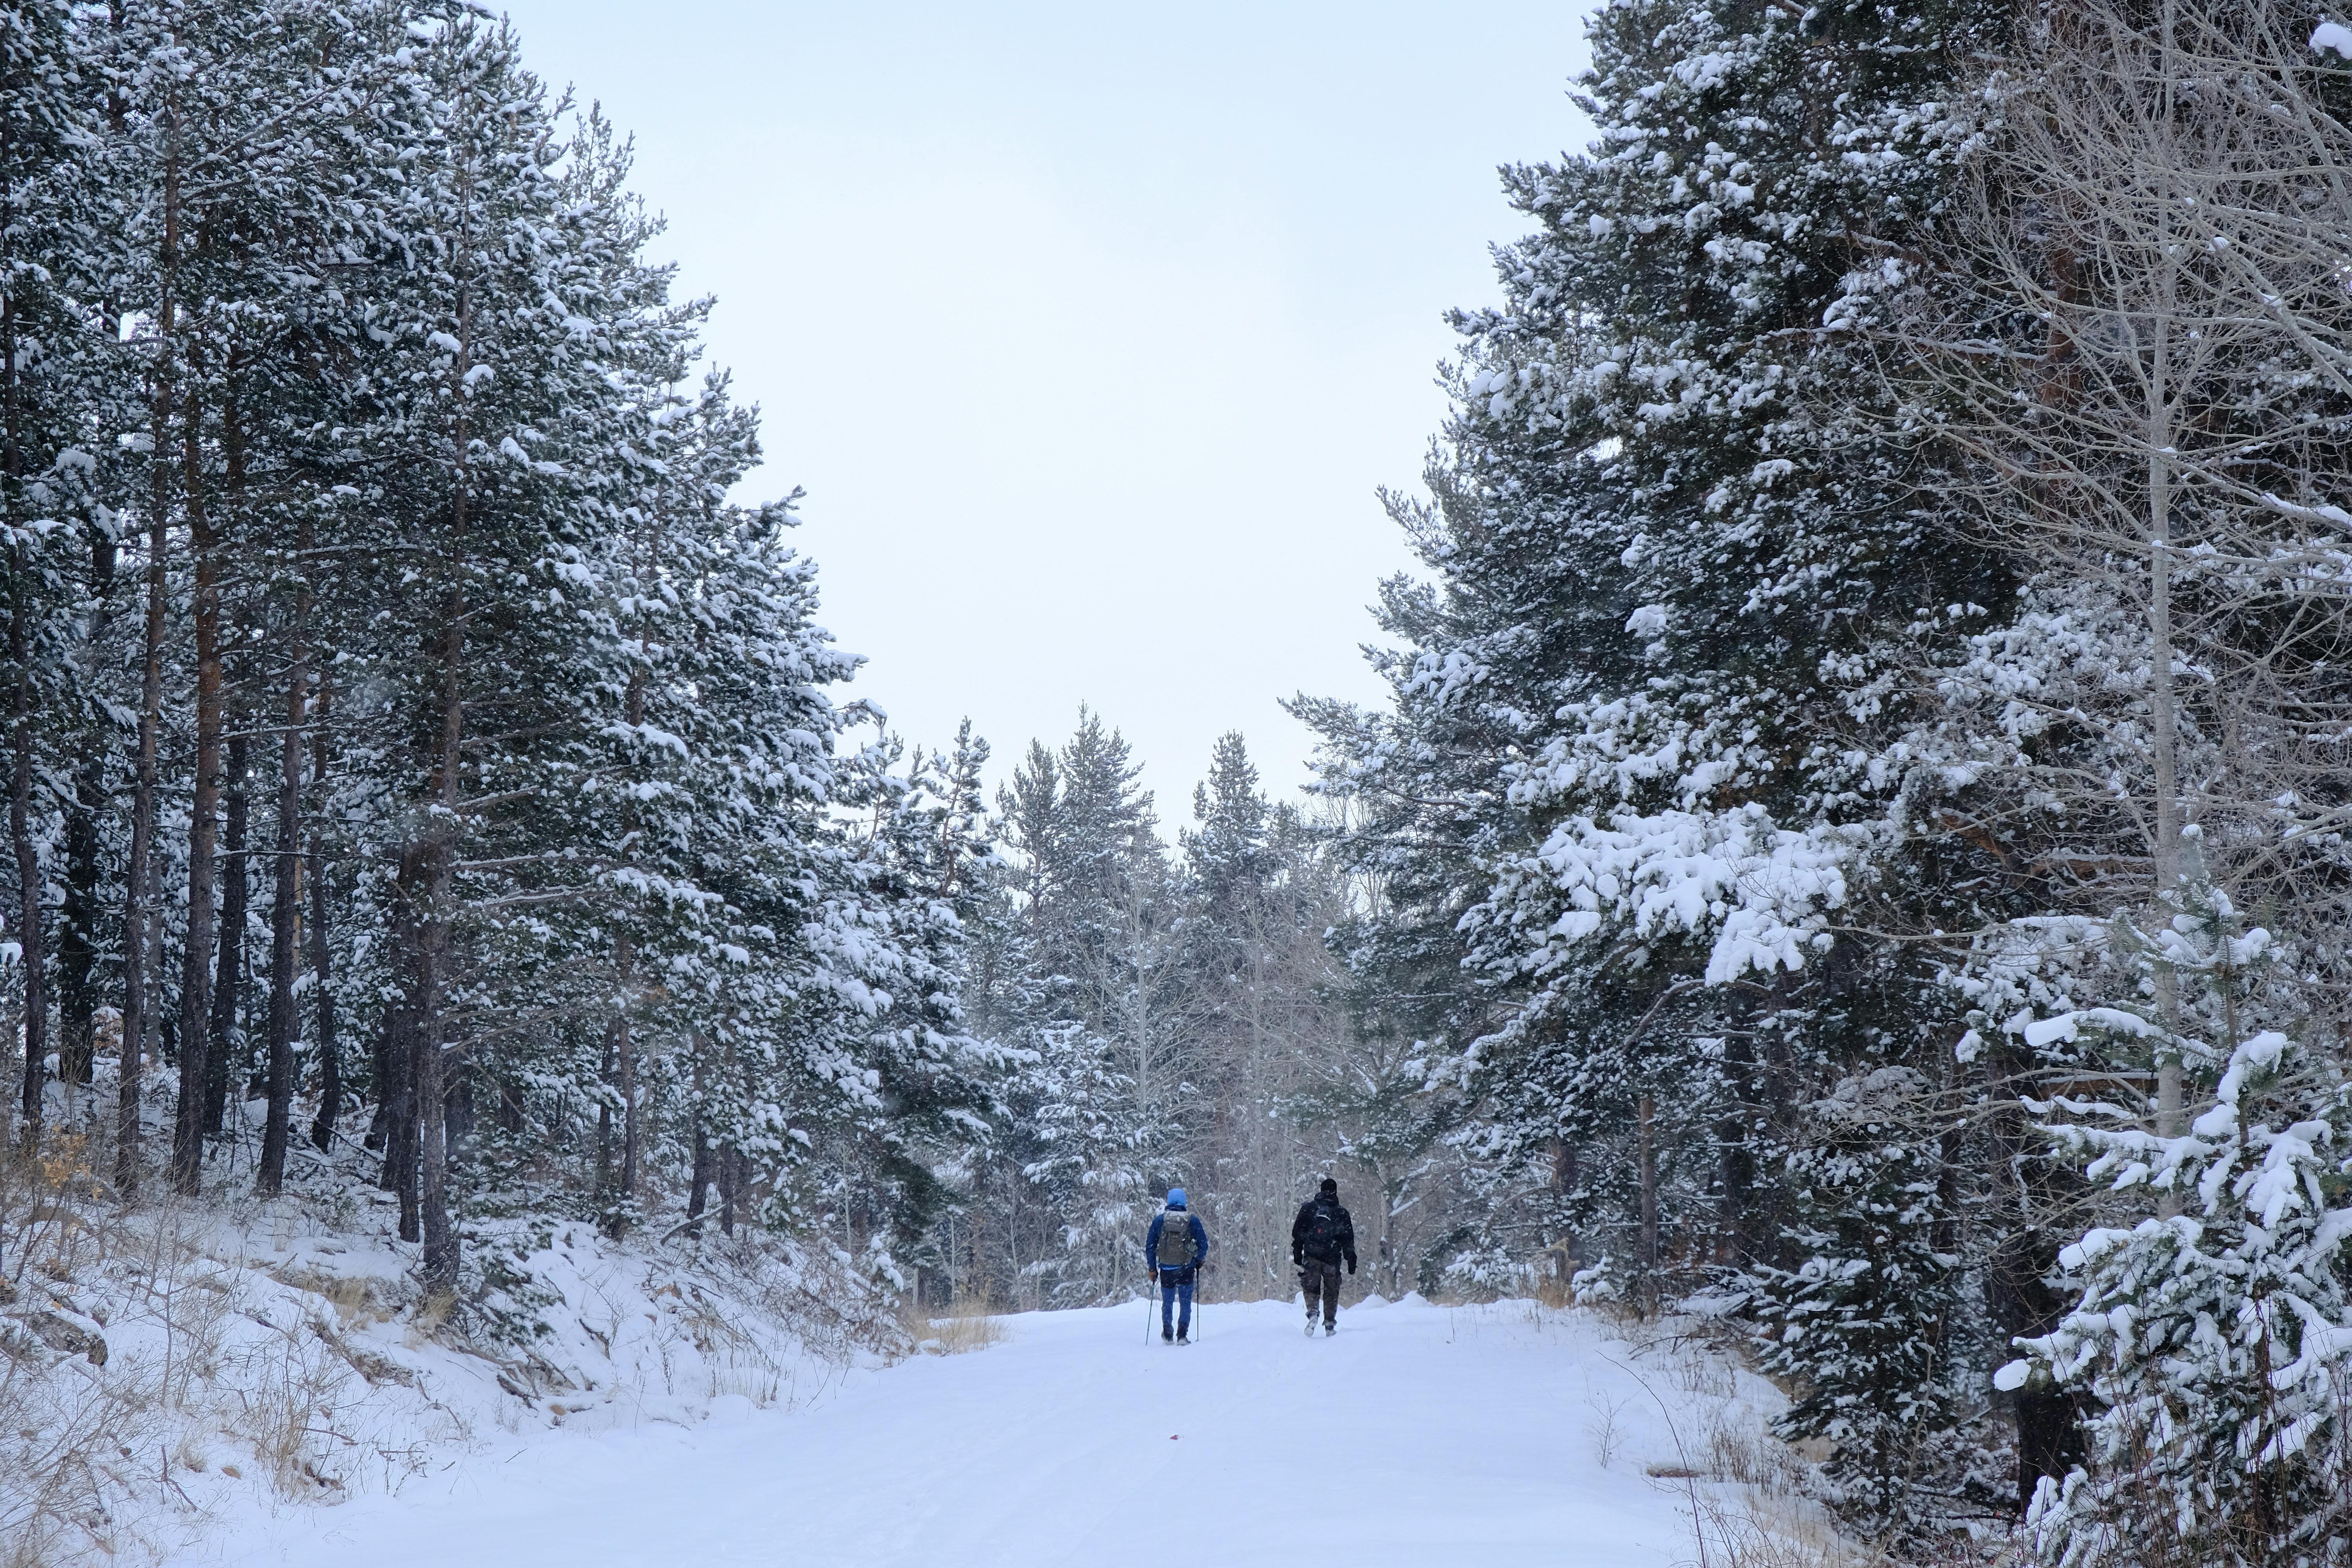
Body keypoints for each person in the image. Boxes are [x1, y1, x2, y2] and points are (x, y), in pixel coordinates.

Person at [1291, 1176, 1356, 1336]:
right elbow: (1348, 1239)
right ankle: (1329, 1323)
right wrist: (1351, 1260)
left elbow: (1298, 1234)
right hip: (1332, 1259)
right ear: (1335, 1192)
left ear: (1321, 1190)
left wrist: (1298, 1255)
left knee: (1311, 1288)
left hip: (1311, 1256)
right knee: (1331, 1291)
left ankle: (1313, 1313)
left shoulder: (1309, 1208)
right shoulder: (1341, 1212)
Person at [1145, 1188, 1209, 1344]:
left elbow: (1150, 1246)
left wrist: (1153, 1268)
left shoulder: (1160, 1221)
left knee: (1167, 1303)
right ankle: (1182, 1335)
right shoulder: (1192, 1221)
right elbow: (1204, 1245)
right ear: (1184, 1202)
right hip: (1186, 1268)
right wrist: (1199, 1261)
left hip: (1166, 1269)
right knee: (1185, 1302)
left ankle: (1167, 1333)